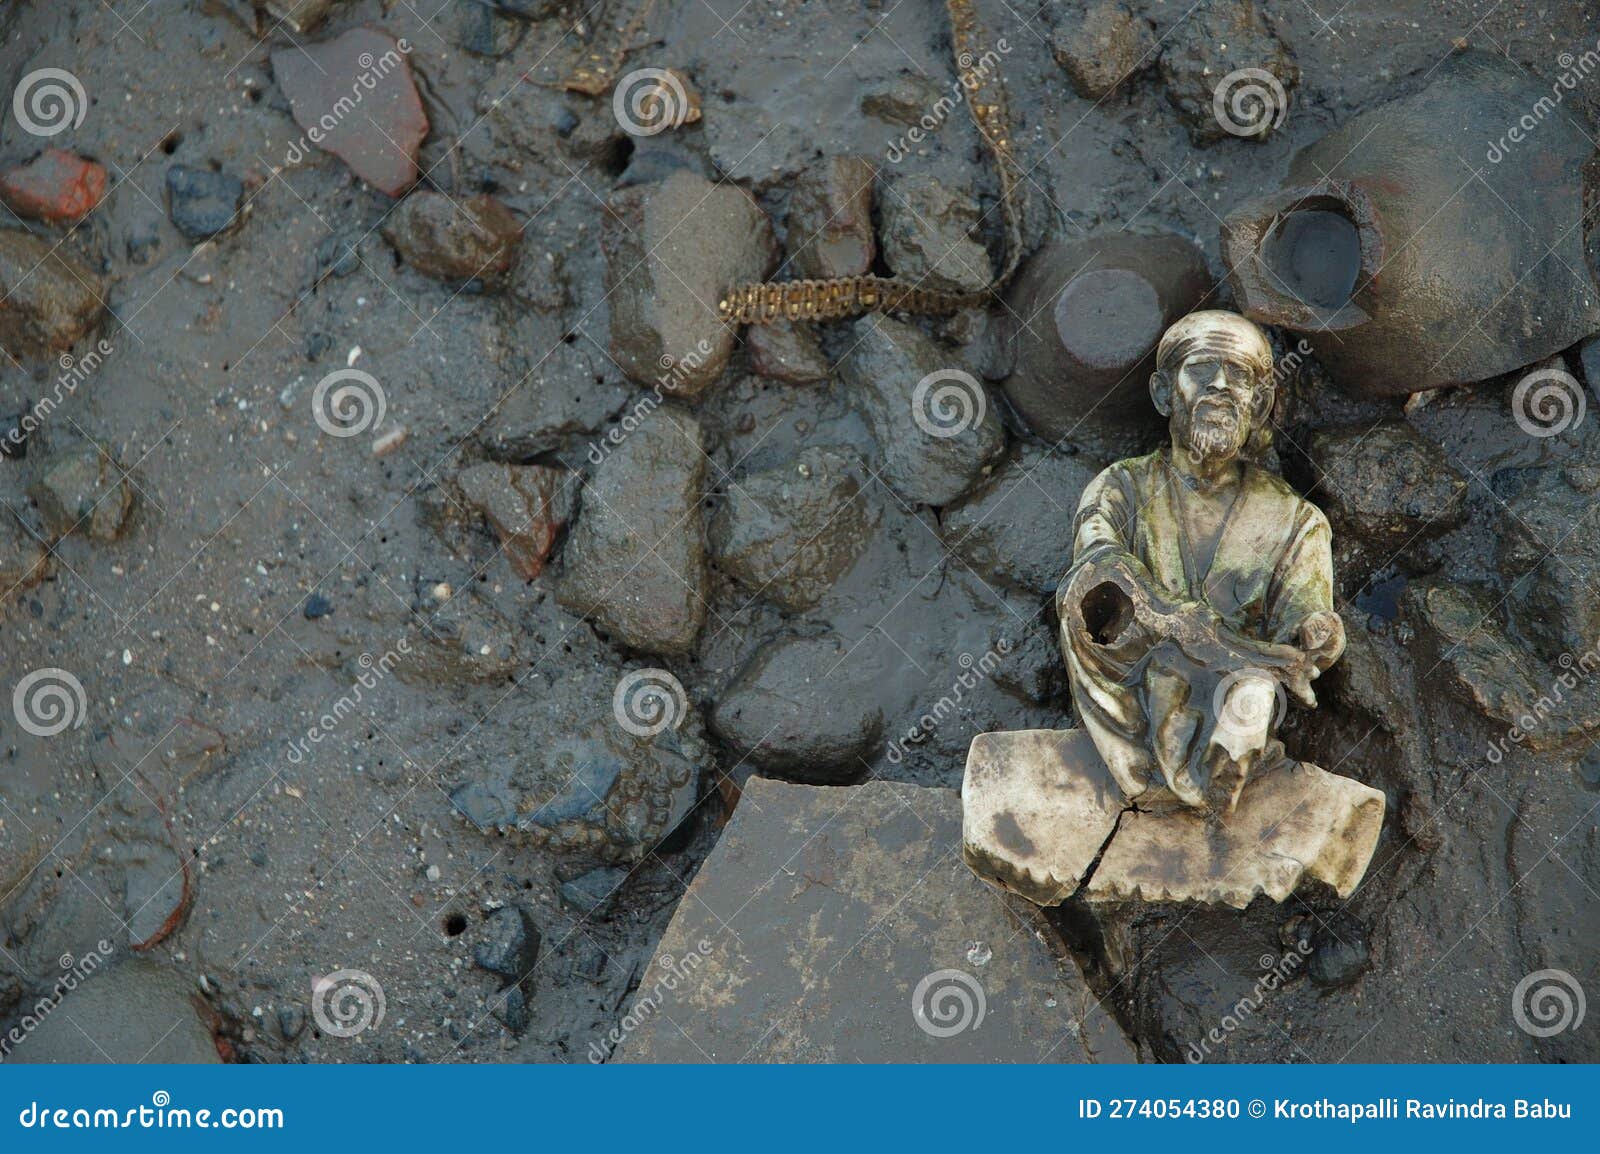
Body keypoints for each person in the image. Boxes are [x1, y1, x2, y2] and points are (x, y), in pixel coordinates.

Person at [1058, 310, 1344, 812]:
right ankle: (1143, 772)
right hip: (1137, 667)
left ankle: (1220, 778)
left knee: (1254, 693)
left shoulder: (1297, 520)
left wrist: (1317, 633)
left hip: (1236, 680)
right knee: (1081, 606)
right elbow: (1097, 568)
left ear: (1259, 403)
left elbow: (1302, 622)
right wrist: (1177, 625)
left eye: (1238, 376)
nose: (1220, 385)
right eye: (1200, 369)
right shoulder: (1120, 488)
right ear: (1163, 393)